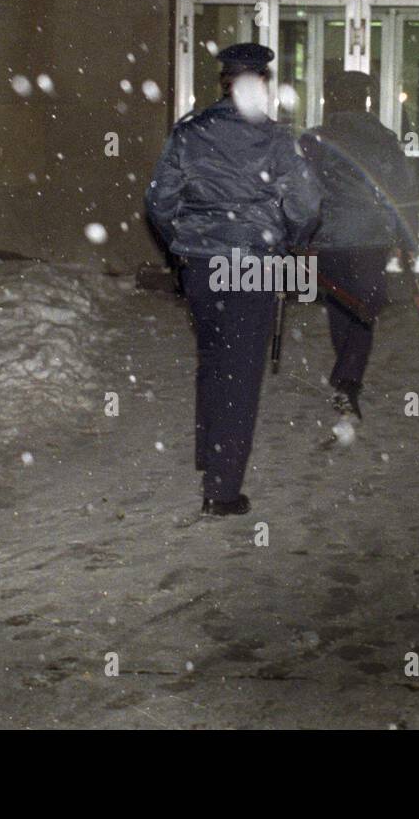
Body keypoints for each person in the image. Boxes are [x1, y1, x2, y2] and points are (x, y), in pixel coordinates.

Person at [146, 43, 320, 516]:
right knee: (241, 373)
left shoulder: (189, 132)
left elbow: (159, 201)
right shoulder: (278, 139)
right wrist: (292, 238)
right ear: (260, 83)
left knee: (212, 355)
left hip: (202, 263)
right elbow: (306, 205)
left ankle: (209, 452)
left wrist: (182, 244)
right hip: (255, 263)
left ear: (224, 83)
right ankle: (222, 491)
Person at [298, 70, 419, 423]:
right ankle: (349, 378)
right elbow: (402, 190)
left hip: (330, 236)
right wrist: (406, 236)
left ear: (331, 99)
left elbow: (302, 191)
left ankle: (346, 376)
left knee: (341, 305)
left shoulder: (316, 140)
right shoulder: (384, 139)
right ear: (365, 100)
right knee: (365, 307)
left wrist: (299, 235)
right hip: (371, 236)